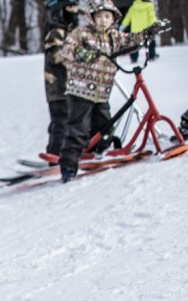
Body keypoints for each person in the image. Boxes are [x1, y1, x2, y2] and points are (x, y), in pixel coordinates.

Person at [58, 0, 167, 181]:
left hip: (102, 92)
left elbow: (132, 40)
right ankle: (68, 166)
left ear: (113, 18)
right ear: (91, 18)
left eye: (107, 17)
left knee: (104, 126)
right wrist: (81, 53)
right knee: (78, 129)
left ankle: (99, 153)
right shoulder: (81, 33)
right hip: (80, 91)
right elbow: (66, 49)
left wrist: (150, 31)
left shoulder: (115, 36)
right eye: (99, 16)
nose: (103, 21)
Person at [42, 0, 82, 158]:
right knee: (61, 120)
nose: (75, 10)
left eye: (76, 6)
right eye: (70, 7)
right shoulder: (55, 30)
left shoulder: (72, 30)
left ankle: (70, 150)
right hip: (57, 84)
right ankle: (55, 154)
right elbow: (56, 55)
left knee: (72, 119)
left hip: (71, 84)